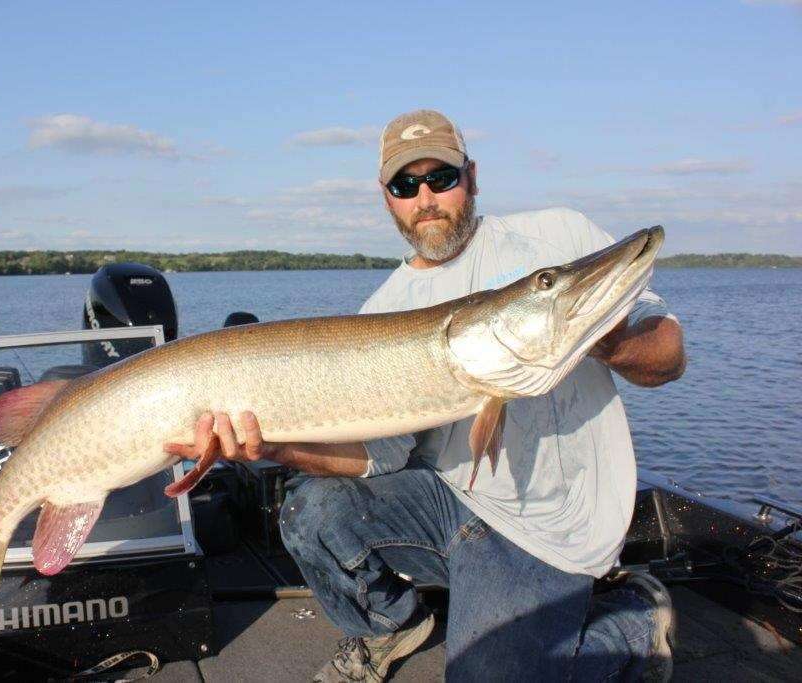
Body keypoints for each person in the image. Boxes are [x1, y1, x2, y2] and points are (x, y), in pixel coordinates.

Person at [165, 109, 686, 682]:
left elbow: (667, 359)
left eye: (441, 178)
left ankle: (633, 624)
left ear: (472, 177)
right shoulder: (385, 306)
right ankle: (392, 624)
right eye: (405, 185)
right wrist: (272, 449)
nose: (426, 198)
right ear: (387, 198)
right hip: (446, 501)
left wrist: (600, 336)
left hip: (549, 531)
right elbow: (376, 457)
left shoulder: (558, 236)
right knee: (308, 511)